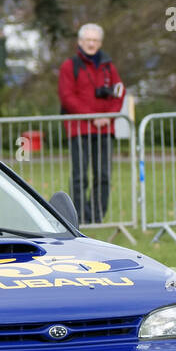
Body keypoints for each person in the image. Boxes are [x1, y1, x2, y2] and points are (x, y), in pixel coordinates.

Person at [57, 23, 124, 224]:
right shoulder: (69, 66)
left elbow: (119, 92)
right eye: (88, 40)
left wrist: (108, 116)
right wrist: (91, 116)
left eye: (95, 40)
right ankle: (79, 218)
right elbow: (67, 97)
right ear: (80, 42)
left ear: (100, 43)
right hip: (79, 129)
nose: (91, 44)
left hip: (105, 129)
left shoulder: (108, 67)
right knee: (80, 176)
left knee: (103, 175)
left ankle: (97, 216)